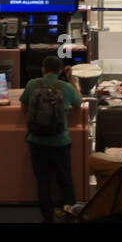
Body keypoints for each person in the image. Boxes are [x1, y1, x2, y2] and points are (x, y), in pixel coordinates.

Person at [20, 56, 82, 222]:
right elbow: (79, 102)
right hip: (60, 141)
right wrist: (71, 79)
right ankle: (69, 214)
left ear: (43, 69)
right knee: (65, 179)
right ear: (60, 71)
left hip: (36, 140)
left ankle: (47, 217)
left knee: (43, 181)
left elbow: (23, 105)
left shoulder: (33, 84)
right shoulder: (67, 87)